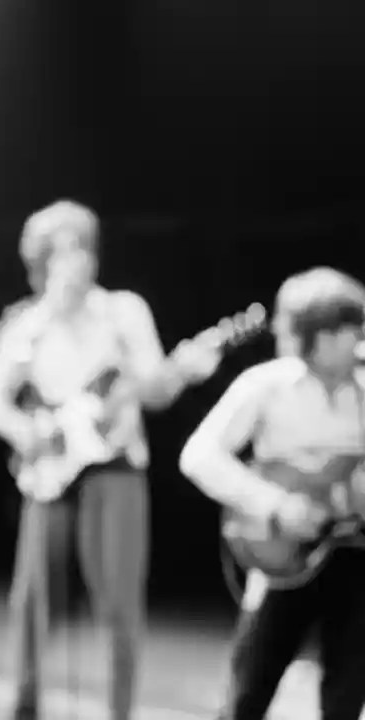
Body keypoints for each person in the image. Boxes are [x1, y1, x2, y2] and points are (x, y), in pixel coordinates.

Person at [0, 199, 219, 720]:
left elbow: (154, 391)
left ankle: (119, 712)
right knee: (32, 599)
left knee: (119, 603)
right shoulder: (29, 324)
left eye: (83, 247)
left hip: (116, 468)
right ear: (39, 263)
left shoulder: (123, 310)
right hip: (50, 473)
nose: (76, 259)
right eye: (61, 251)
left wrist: (181, 372)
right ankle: (24, 704)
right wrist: (25, 430)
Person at [179, 267, 365, 720]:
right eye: (347, 329)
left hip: (355, 554)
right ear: (316, 337)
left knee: (347, 693)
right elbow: (199, 455)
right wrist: (277, 507)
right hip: (282, 559)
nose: (358, 338)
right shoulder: (266, 385)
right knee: (250, 689)